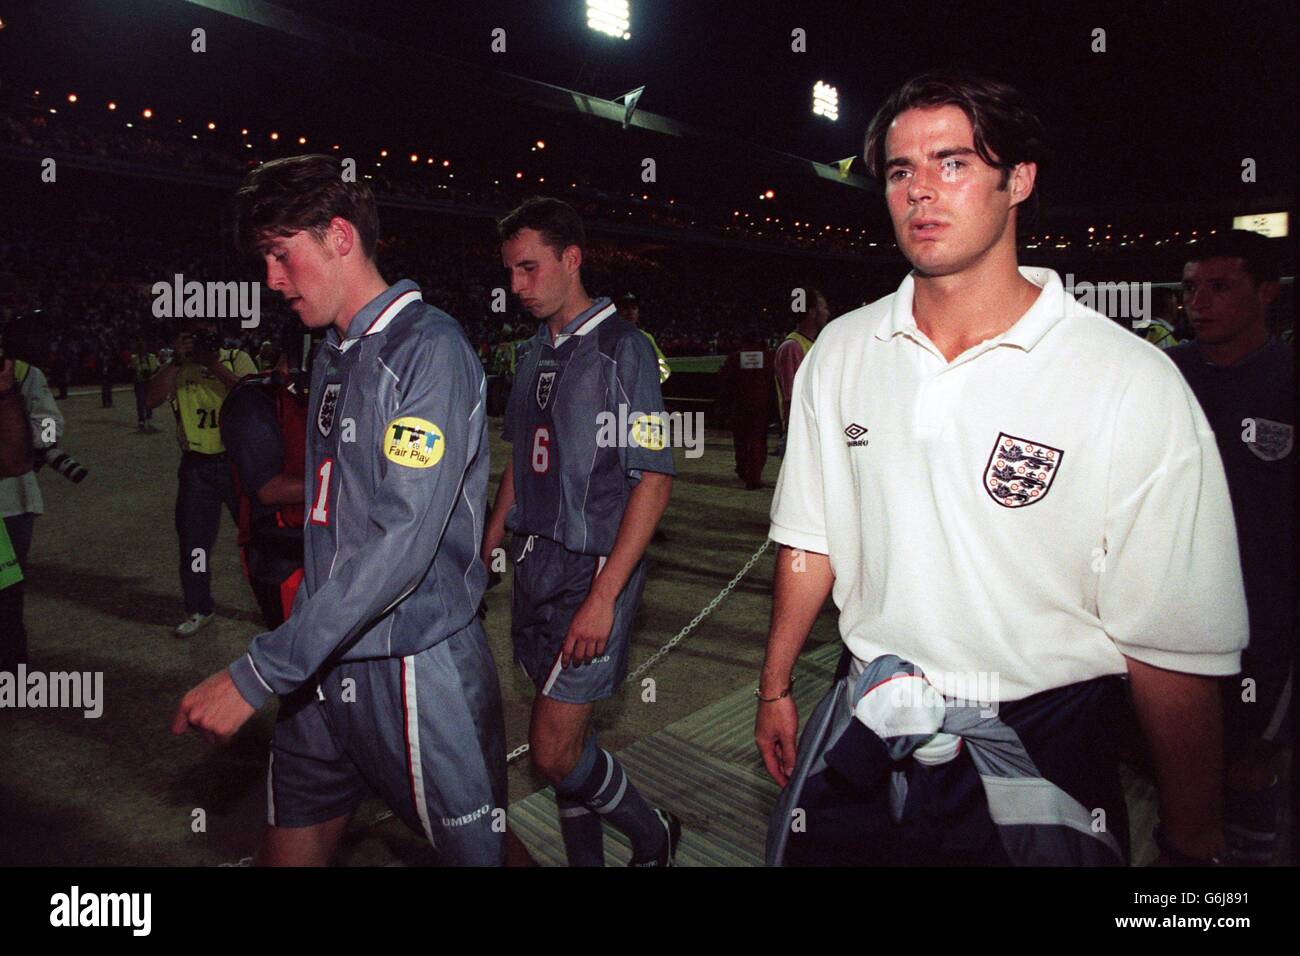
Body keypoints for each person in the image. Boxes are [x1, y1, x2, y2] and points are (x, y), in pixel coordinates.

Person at [756, 71, 1247, 867]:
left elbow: (1173, 647)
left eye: (952, 164)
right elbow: (809, 534)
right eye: (899, 170)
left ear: (1017, 180)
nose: (921, 190)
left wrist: (1195, 844)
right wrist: (776, 683)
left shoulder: (1127, 379)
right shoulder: (842, 350)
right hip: (870, 715)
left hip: (1043, 738)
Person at [173, 154, 508, 867]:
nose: (271, 279)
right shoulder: (332, 351)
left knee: (480, 854)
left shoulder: (432, 351)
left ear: (340, 237)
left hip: (413, 666)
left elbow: (401, 548)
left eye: (279, 254)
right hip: (323, 664)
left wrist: (258, 672)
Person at [483, 197, 681, 867]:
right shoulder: (534, 350)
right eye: (511, 271)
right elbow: (521, 457)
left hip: (592, 572)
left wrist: (606, 595)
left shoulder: (623, 350)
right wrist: (490, 540)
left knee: (551, 750)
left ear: (572, 259)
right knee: (563, 747)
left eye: (530, 268)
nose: (517, 286)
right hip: (535, 566)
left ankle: (653, 833)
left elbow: (653, 478)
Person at [1167, 230, 1293, 864]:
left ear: (1266, 293)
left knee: (1249, 763)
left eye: (1220, 287)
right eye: (1191, 288)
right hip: (1173, 612)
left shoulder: (1288, 379)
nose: (1199, 302)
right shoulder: (1164, 376)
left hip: (1265, 622)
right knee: (1175, 762)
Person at [145, 319, 258, 636]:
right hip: (196, 465)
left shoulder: (236, 359)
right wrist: (176, 361)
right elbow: (150, 400)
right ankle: (198, 607)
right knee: (195, 544)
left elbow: (252, 399)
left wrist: (214, 365)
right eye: (195, 335)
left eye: (207, 334)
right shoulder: (178, 366)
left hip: (238, 462)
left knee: (255, 539)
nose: (202, 340)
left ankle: (271, 603)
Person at [219, 343, 308, 630]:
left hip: (323, 541)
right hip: (282, 549)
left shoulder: (322, 393)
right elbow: (268, 488)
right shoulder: (254, 400)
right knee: (297, 650)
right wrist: (351, 481)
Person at [0, 320, 64, 671]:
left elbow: (52, 424)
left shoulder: (25, 374)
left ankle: (11, 672)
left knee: (7, 601)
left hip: (12, 501)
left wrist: (44, 442)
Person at [772, 287, 829, 450]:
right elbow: (794, 397)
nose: (827, 312)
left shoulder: (813, 343)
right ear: (812, 312)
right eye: (823, 307)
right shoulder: (793, 347)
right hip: (800, 434)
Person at [718, 334, 774, 489]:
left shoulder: (735, 357)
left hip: (739, 405)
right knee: (758, 441)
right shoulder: (767, 356)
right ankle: (754, 476)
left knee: (741, 440)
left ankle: (743, 468)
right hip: (761, 406)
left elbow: (724, 380)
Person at [617, 293, 671, 385]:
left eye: (634, 308)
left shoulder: (646, 337)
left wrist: (646, 385)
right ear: (617, 312)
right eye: (625, 308)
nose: (630, 312)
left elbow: (663, 368)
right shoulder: (608, 337)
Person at [128, 338, 160, 432]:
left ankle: (148, 419)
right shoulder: (134, 358)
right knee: (140, 401)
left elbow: (157, 368)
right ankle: (142, 420)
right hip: (139, 381)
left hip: (149, 381)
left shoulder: (152, 357)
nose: (142, 349)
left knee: (148, 401)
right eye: (140, 347)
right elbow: (132, 370)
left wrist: (151, 374)